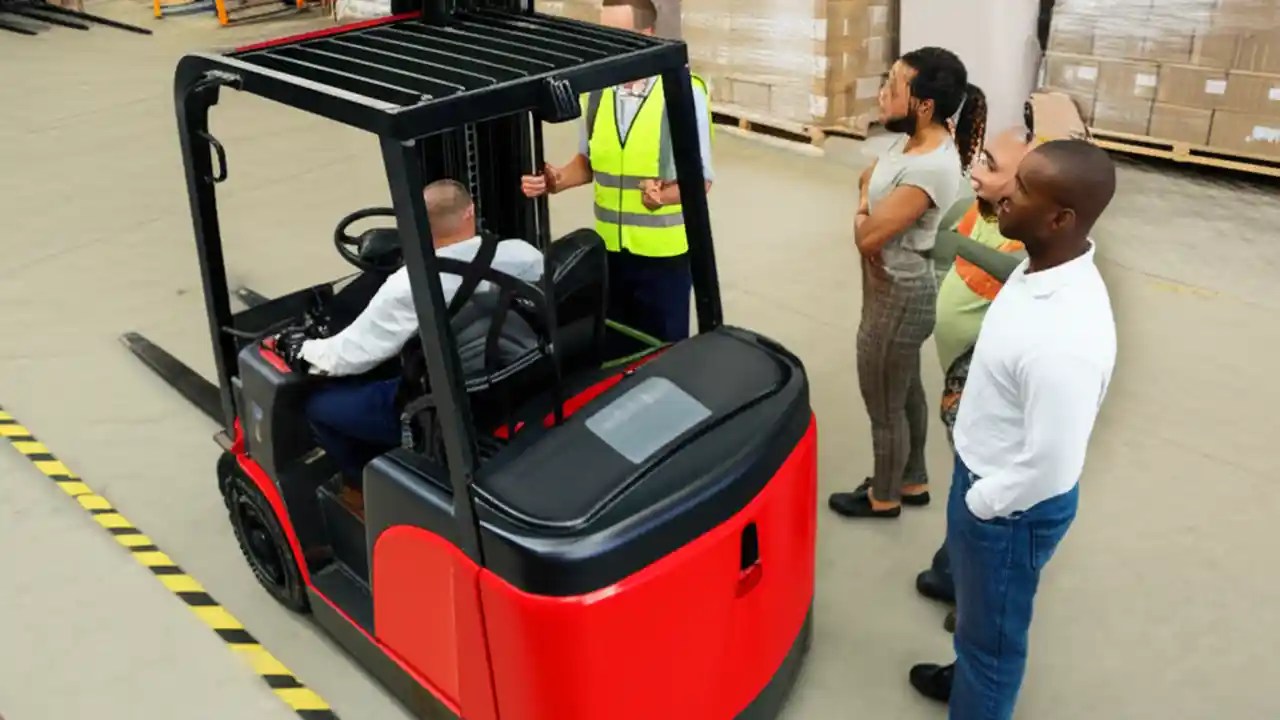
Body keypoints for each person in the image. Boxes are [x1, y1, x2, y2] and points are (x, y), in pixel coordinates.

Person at [909, 139, 1118, 718]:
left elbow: (1053, 465)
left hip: (1008, 507)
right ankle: (964, 674)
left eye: (1022, 188)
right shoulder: (1039, 264)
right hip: (985, 477)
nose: (1004, 191)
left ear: (1060, 218)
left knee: (994, 647)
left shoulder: (1066, 337)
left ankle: (976, 693)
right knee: (979, 616)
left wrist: (983, 503)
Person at [275, 179, 544, 481]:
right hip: (513, 377)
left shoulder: (411, 285)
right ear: (471, 211)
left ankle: (364, 483)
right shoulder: (523, 254)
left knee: (318, 405)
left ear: (416, 226)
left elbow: (350, 354)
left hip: (446, 409)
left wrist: (301, 349)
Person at [827, 47, 987, 519]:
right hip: (892, 288)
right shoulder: (914, 140)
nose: (882, 93)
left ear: (923, 104)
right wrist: (870, 192)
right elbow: (873, 177)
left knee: (883, 402)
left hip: (897, 295)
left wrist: (861, 203)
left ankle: (883, 495)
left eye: (893, 86)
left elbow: (869, 236)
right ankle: (912, 479)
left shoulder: (930, 165)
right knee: (905, 388)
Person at [520, 0, 714, 343]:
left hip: (663, 257)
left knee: (662, 351)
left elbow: (700, 180)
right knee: (614, 346)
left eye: (616, 34)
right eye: (602, 33)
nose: (606, 44)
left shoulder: (684, 92)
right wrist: (557, 179)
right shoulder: (596, 92)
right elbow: (588, 162)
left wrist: (665, 197)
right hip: (609, 251)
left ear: (646, 35)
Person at [916, 125, 1040, 622]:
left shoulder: (1033, 243)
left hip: (985, 388)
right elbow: (946, 238)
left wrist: (952, 246)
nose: (975, 170)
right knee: (965, 476)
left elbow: (1012, 272)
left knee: (985, 489)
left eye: (990, 165)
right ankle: (954, 564)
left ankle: (973, 598)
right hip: (960, 380)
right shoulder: (985, 211)